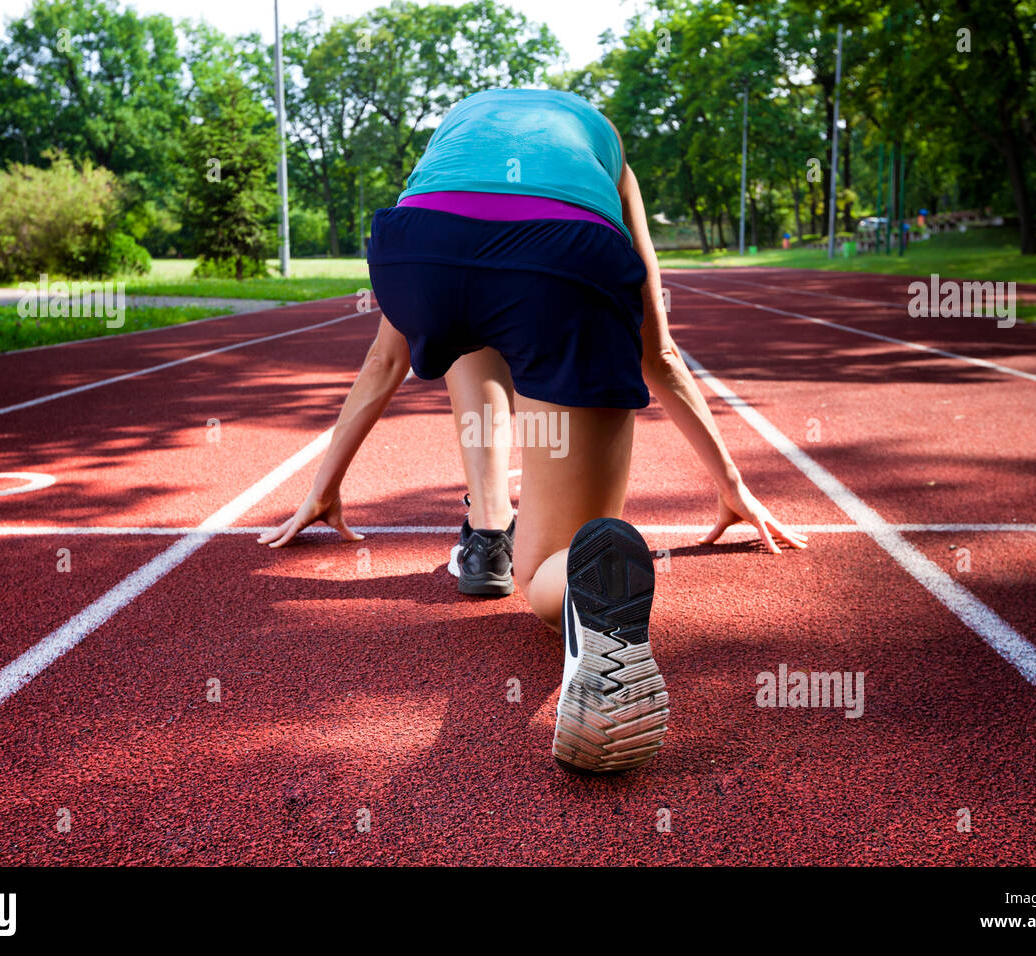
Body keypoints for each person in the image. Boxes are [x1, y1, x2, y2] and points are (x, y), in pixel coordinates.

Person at [261, 88, 805, 773]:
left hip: (421, 247)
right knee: (556, 559)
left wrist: (324, 484)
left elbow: (385, 359)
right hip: (563, 260)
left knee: (470, 314)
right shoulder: (603, 144)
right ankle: (577, 582)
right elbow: (657, 351)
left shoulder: (458, 131)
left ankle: (488, 530)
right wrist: (731, 486)